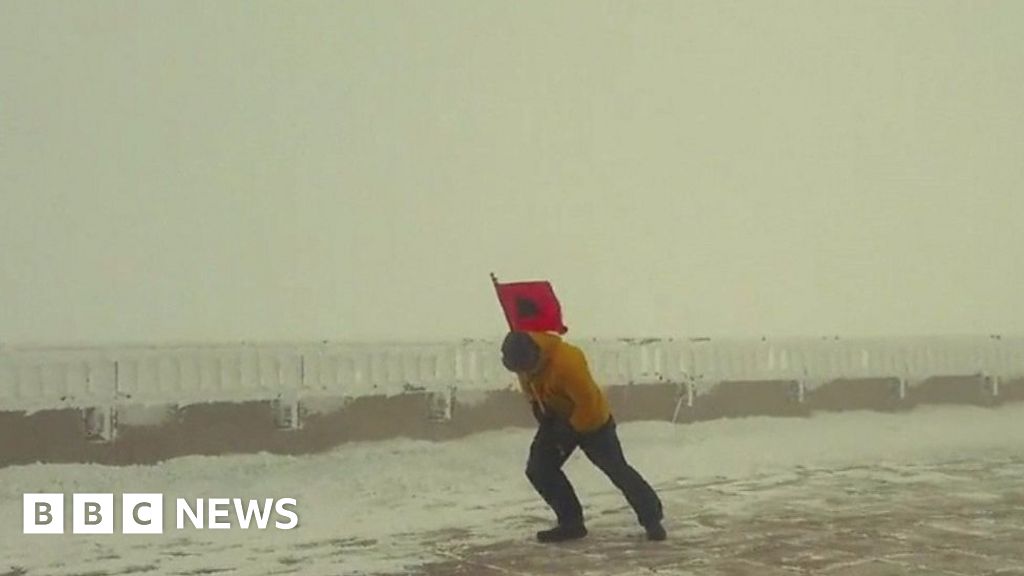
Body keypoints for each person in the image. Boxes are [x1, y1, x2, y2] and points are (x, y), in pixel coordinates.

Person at [500, 330, 666, 542]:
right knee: (539, 469)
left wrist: (570, 430)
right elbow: (531, 386)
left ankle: (652, 519)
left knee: (615, 468)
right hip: (557, 416)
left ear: (535, 353)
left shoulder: (568, 362)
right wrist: (536, 405)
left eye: (526, 366)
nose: (524, 372)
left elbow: (587, 402)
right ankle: (571, 523)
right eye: (518, 369)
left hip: (593, 419)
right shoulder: (524, 361)